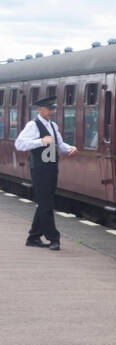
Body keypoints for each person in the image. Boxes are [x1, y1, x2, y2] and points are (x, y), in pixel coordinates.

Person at [14, 95, 76, 249]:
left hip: (52, 168)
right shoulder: (33, 125)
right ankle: (53, 238)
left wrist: (69, 148)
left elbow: (60, 145)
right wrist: (40, 142)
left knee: (44, 203)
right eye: (49, 109)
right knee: (46, 204)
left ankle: (33, 237)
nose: (52, 111)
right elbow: (19, 144)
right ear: (39, 110)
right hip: (40, 169)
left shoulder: (53, 126)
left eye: (53, 108)